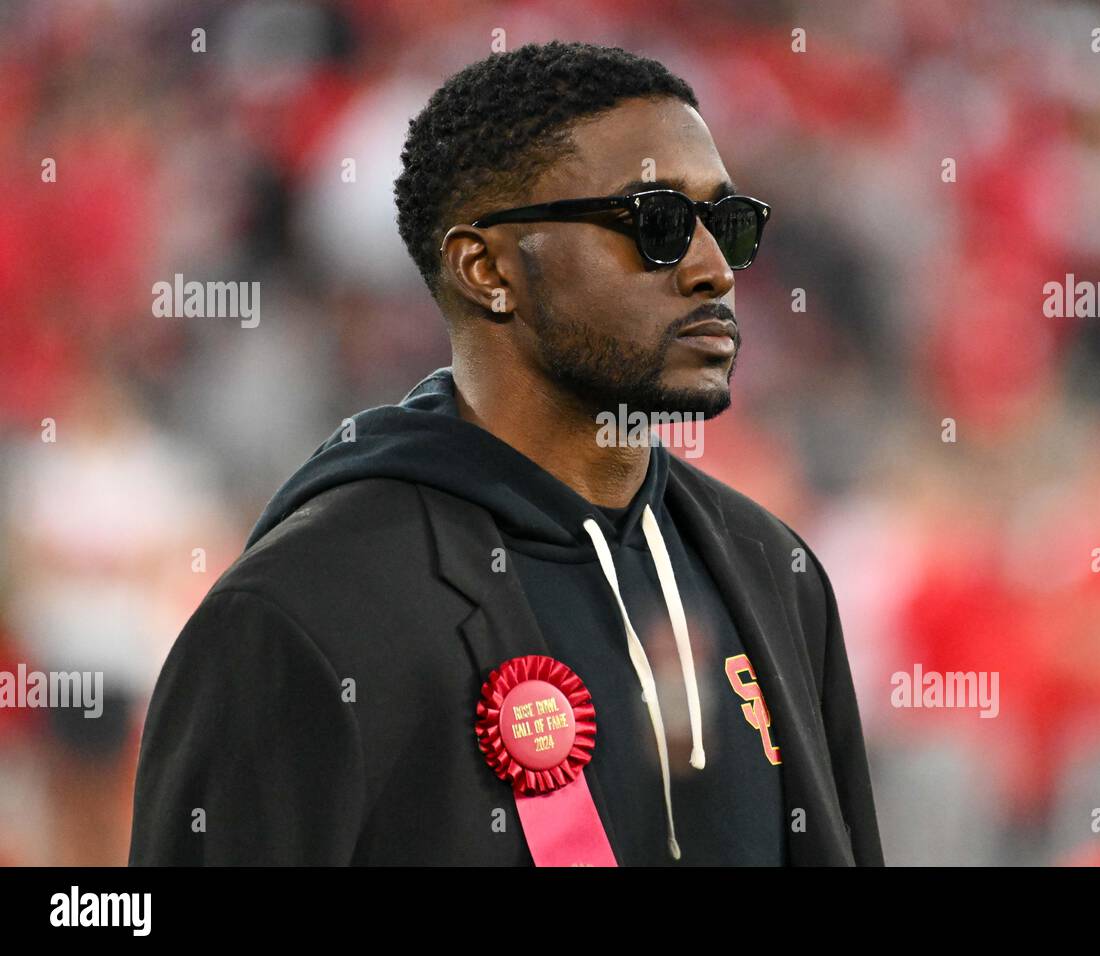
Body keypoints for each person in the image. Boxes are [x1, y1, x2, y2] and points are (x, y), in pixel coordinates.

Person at [128, 39, 884, 866]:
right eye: (658, 224)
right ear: (486, 269)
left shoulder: (775, 571)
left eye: (726, 225)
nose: (714, 270)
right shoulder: (302, 611)